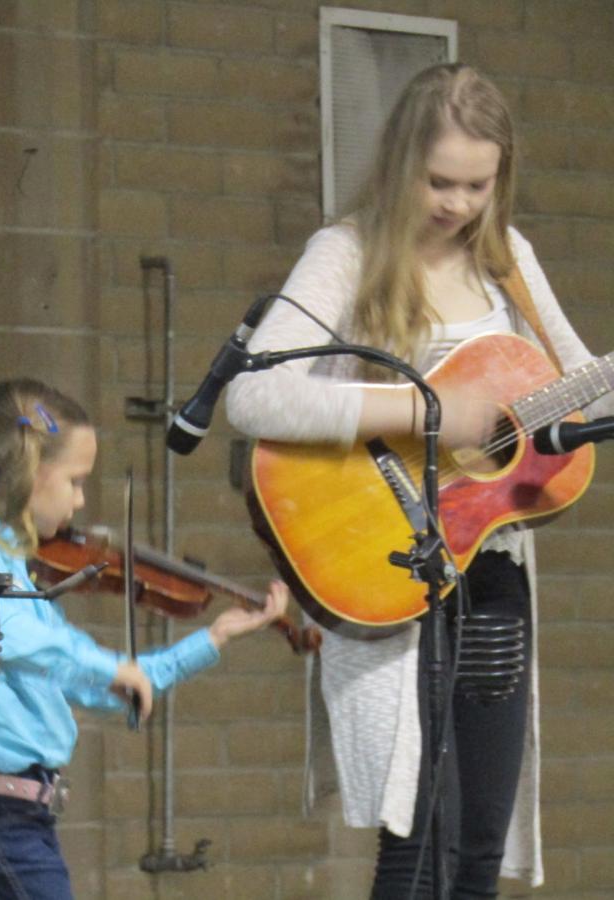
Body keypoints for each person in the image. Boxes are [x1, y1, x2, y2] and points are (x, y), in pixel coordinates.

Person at [224, 64, 612, 898]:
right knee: (417, 843)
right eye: (440, 181)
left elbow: (587, 380)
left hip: (493, 568)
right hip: (385, 564)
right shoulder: (347, 251)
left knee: (479, 847)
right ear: (403, 164)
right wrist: (428, 406)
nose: (459, 204)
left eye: (479, 184)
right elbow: (252, 393)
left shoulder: (509, 262)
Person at [0, 377, 289, 899]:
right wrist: (110, 670)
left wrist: (212, 639)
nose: (82, 500)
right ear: (31, 474)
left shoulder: (14, 571)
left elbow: (83, 678)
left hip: (16, 813)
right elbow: (17, 637)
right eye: (75, 480)